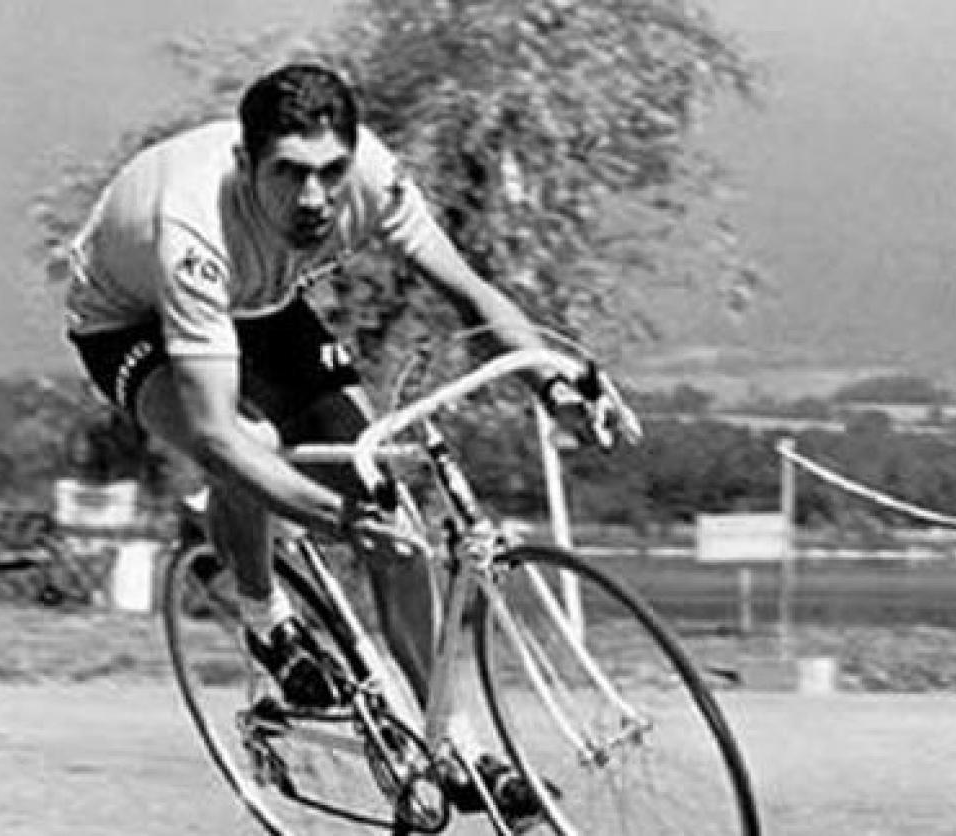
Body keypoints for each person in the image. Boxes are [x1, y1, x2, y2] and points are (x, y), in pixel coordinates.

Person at [61, 63, 617, 819]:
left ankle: (455, 745)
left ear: (354, 158)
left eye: (330, 172)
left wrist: (553, 379)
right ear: (246, 165)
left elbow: (472, 296)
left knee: (390, 513)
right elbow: (221, 438)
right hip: (131, 319)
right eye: (289, 175)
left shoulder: (376, 182)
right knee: (247, 441)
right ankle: (267, 624)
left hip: (260, 303)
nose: (314, 199)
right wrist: (336, 520)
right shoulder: (192, 220)